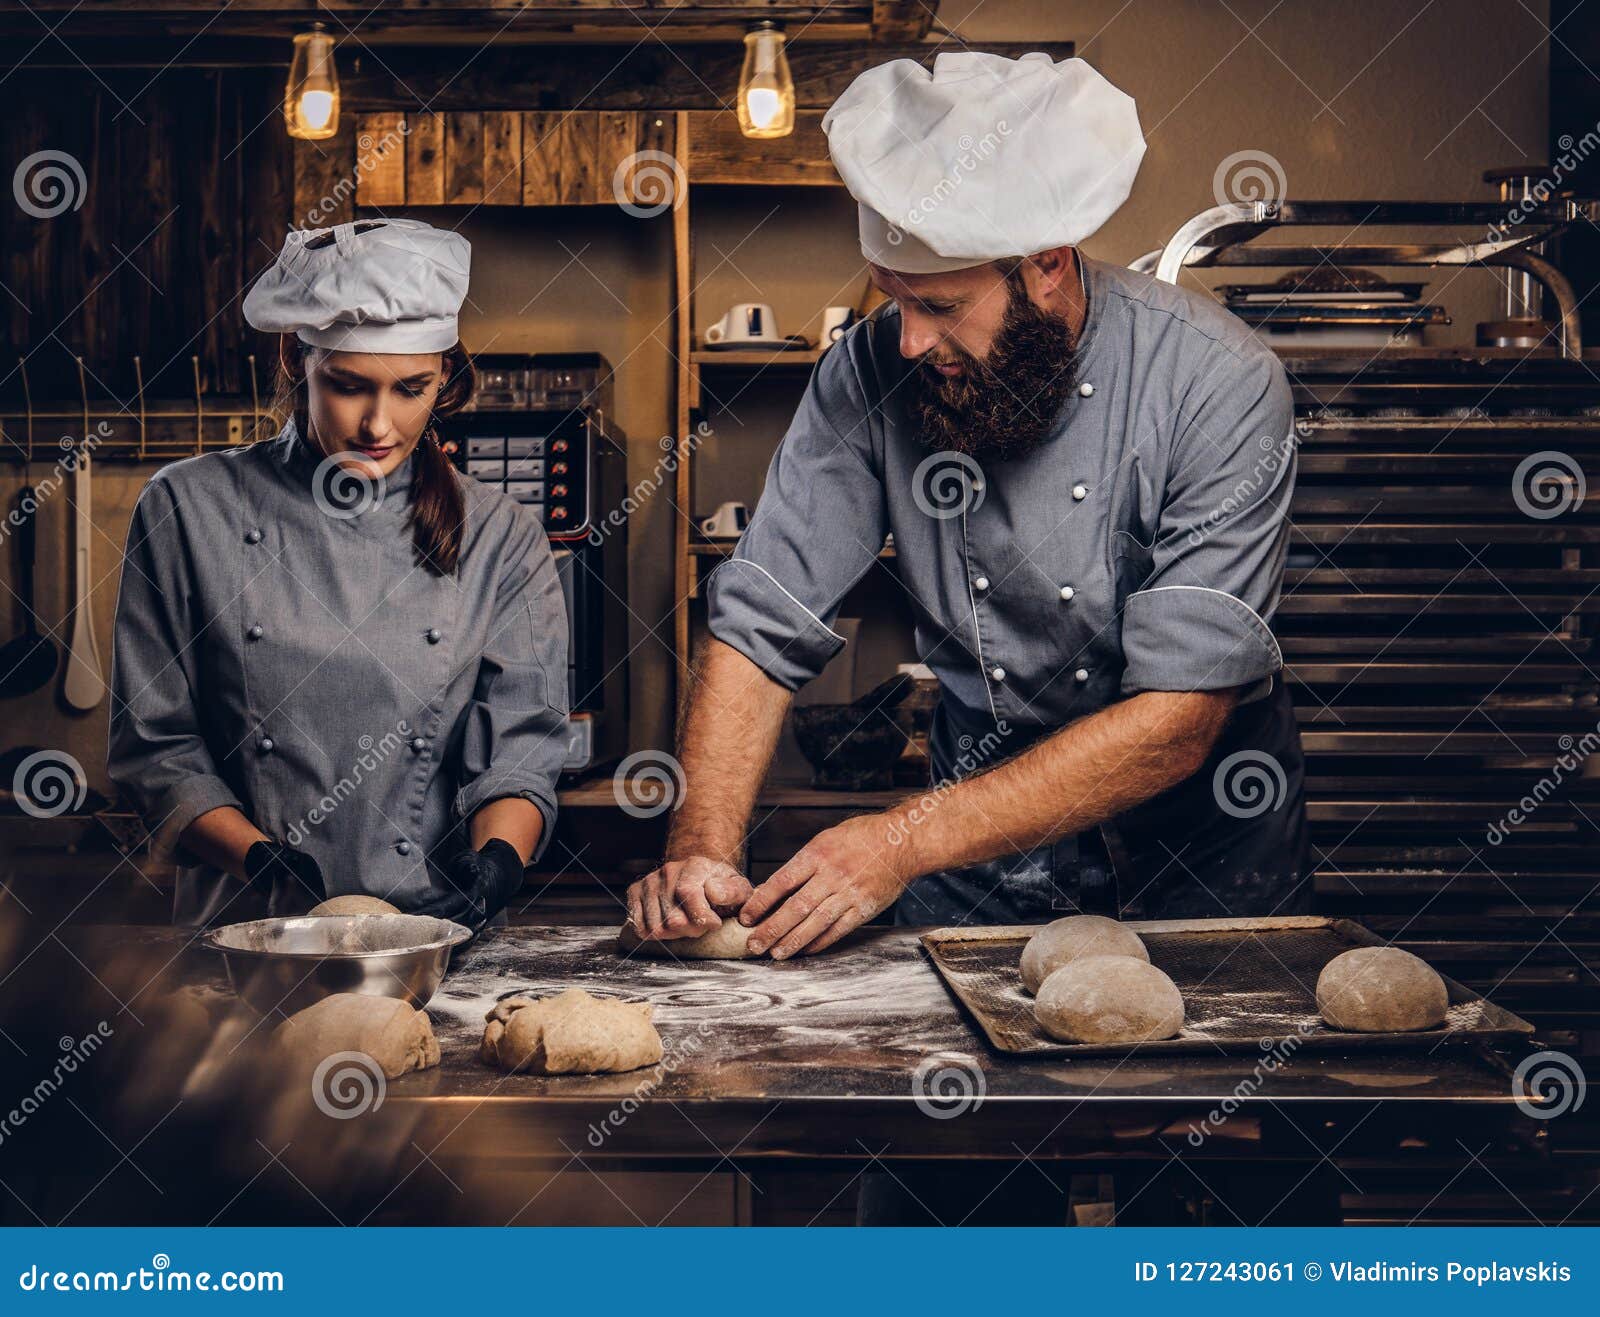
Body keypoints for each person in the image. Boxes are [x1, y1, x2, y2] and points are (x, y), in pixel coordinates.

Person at [624, 53, 1315, 1223]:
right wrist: (701, 841)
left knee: (1221, 1207)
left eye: (939, 305)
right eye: (891, 296)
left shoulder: (1216, 382)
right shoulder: (870, 378)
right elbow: (760, 618)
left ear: (1046, 265)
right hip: (977, 858)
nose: (905, 341)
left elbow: (1177, 719)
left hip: (1204, 856)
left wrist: (892, 844)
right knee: (951, 1199)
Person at [108, 218, 570, 931]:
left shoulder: (500, 535)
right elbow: (156, 746)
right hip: (247, 931)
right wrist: (262, 861)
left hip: (436, 938)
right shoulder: (185, 508)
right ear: (296, 357)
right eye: (350, 387)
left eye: (411, 389)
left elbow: (522, 744)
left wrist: (500, 861)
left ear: (443, 374)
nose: (379, 425)